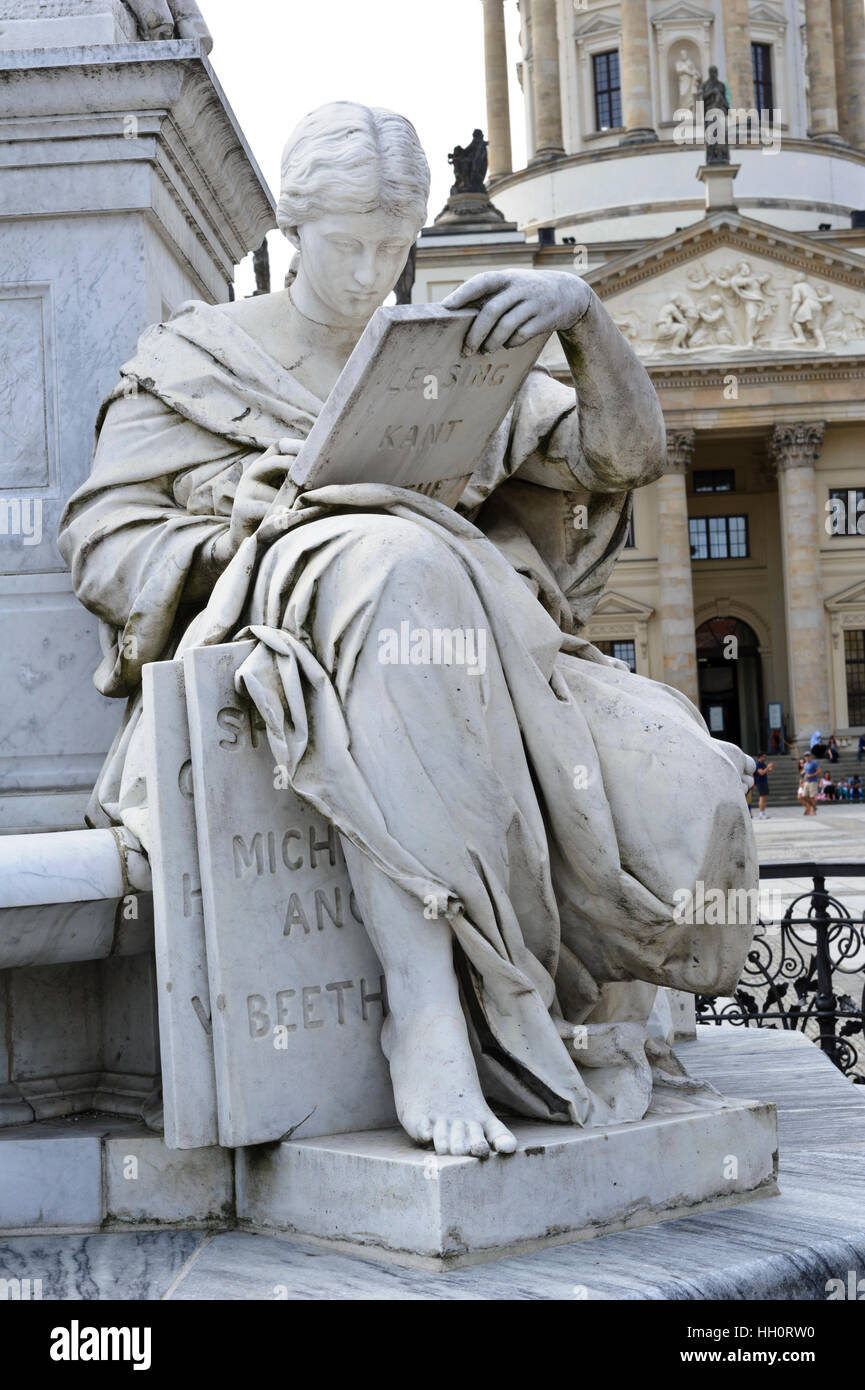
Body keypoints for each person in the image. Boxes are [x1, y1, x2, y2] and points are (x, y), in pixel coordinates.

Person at [58, 102, 756, 1157]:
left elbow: (621, 457)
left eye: (395, 247)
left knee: (685, 777)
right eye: (350, 246)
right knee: (397, 561)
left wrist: (584, 317)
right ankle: (425, 1007)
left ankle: (582, 996)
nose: (372, 272)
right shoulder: (198, 358)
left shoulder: (446, 353)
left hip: (486, 639)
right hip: (301, 600)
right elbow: (102, 540)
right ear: (294, 227)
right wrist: (225, 536)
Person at [752, 752, 774, 818]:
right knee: (762, 797)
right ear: (760, 757)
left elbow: (767, 770)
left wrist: (771, 767)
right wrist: (768, 767)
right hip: (760, 782)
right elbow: (761, 773)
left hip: (764, 782)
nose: (765, 758)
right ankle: (761, 813)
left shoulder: (763, 764)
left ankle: (763, 812)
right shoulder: (757, 764)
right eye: (764, 756)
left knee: (764, 798)